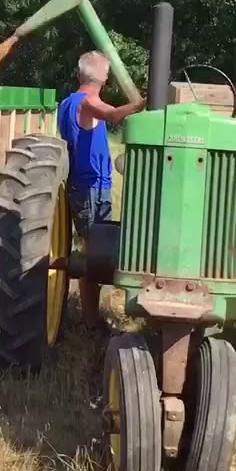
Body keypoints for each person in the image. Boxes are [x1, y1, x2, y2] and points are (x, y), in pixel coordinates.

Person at [56, 50, 145, 332]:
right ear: (104, 77)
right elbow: (115, 115)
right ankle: (91, 322)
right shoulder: (89, 102)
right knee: (92, 254)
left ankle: (90, 317)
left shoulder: (67, 102)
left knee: (89, 251)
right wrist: (145, 102)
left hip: (82, 184)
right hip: (92, 186)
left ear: (80, 73)